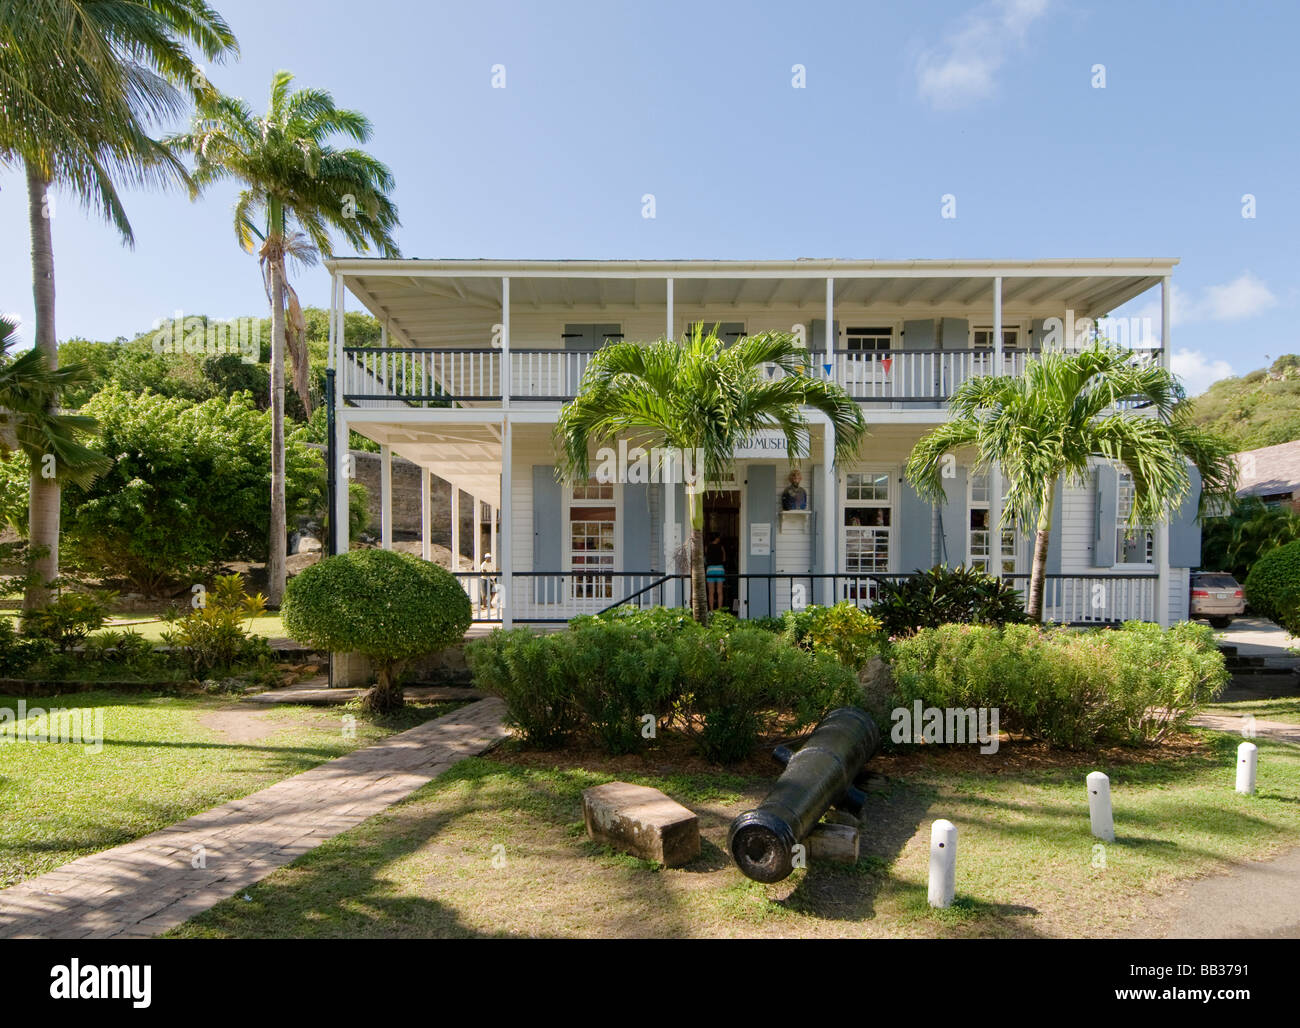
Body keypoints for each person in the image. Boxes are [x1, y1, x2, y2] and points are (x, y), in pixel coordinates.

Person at [705, 533, 726, 611]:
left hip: (710, 569)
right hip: (720, 569)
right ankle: (719, 609)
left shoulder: (707, 547)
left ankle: (711, 610)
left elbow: (706, 558)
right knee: (720, 591)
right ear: (716, 538)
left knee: (711, 592)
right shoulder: (721, 547)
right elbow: (724, 559)